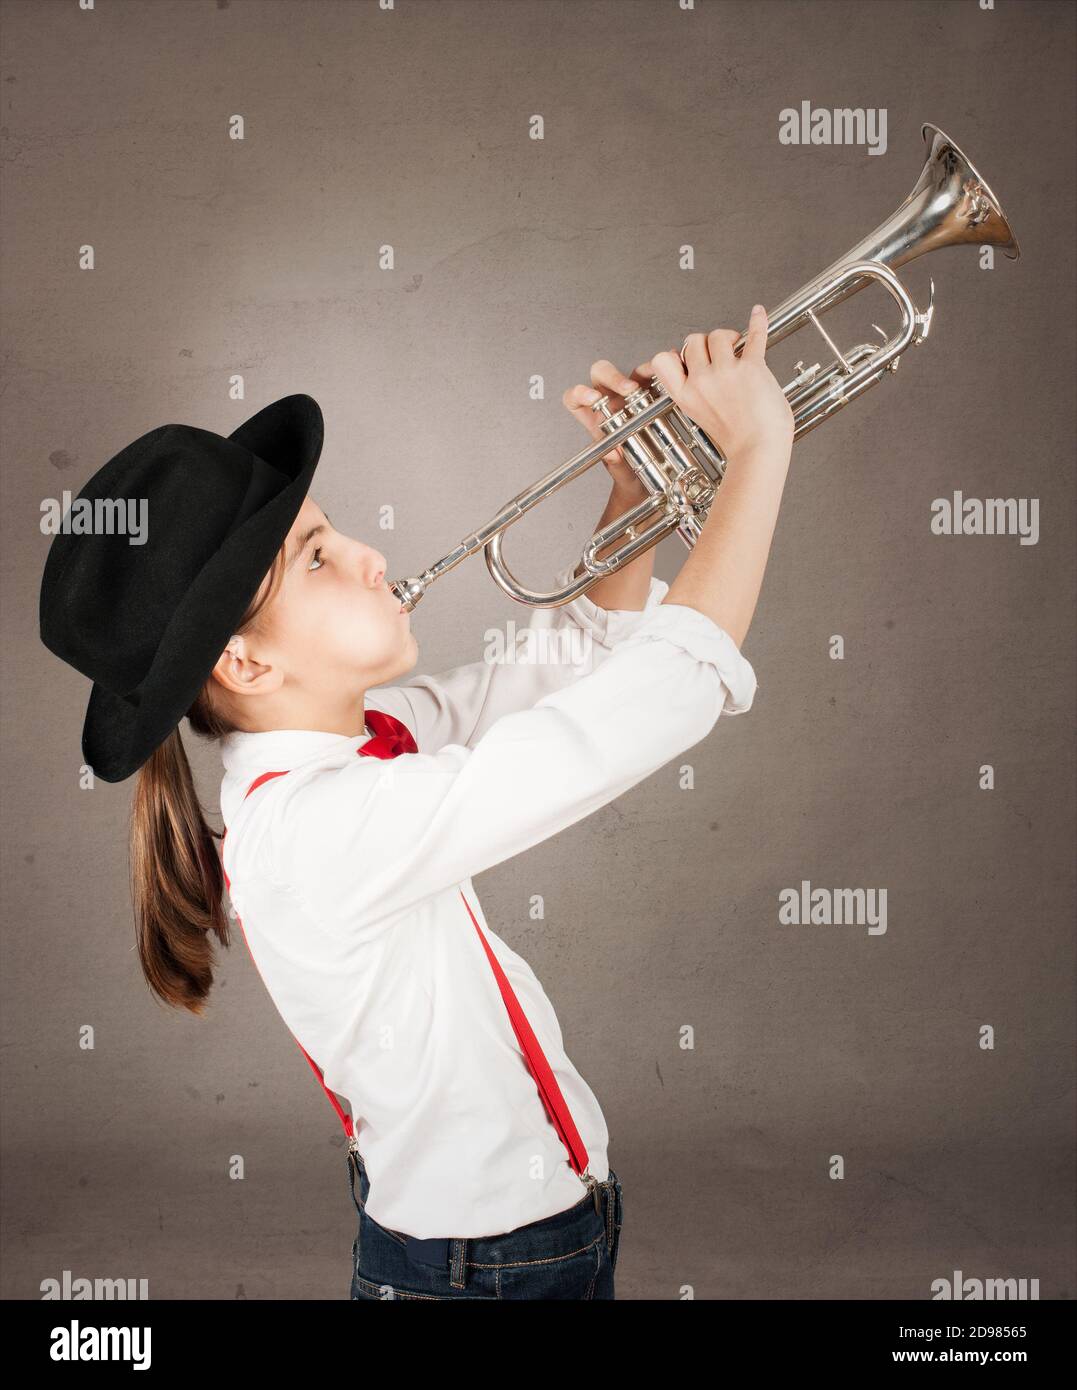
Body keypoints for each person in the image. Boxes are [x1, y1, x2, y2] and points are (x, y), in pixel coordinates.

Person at [38, 305, 794, 1300]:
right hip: (480, 1272)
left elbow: (554, 673)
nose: (369, 554)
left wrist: (632, 489)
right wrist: (760, 452)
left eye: (330, 529)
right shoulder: (314, 830)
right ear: (245, 658)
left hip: (532, 1237)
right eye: (315, 557)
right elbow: (637, 711)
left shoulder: (356, 742)